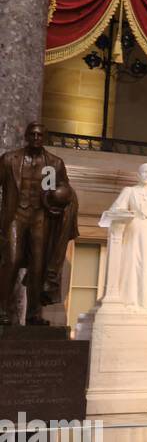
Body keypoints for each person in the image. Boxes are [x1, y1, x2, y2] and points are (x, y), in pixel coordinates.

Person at [0, 122, 79, 326]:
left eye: (40, 135)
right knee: (13, 259)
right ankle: (2, 309)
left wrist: (61, 198)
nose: (36, 138)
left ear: (45, 138)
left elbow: (63, 188)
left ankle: (33, 314)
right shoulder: (9, 159)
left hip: (40, 217)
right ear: (26, 136)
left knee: (38, 265)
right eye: (33, 134)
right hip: (15, 215)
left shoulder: (54, 163)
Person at [99, 162, 147, 314]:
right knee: (131, 264)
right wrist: (122, 212)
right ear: (138, 174)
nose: (146, 175)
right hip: (133, 228)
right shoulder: (129, 191)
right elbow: (116, 208)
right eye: (143, 172)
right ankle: (130, 300)